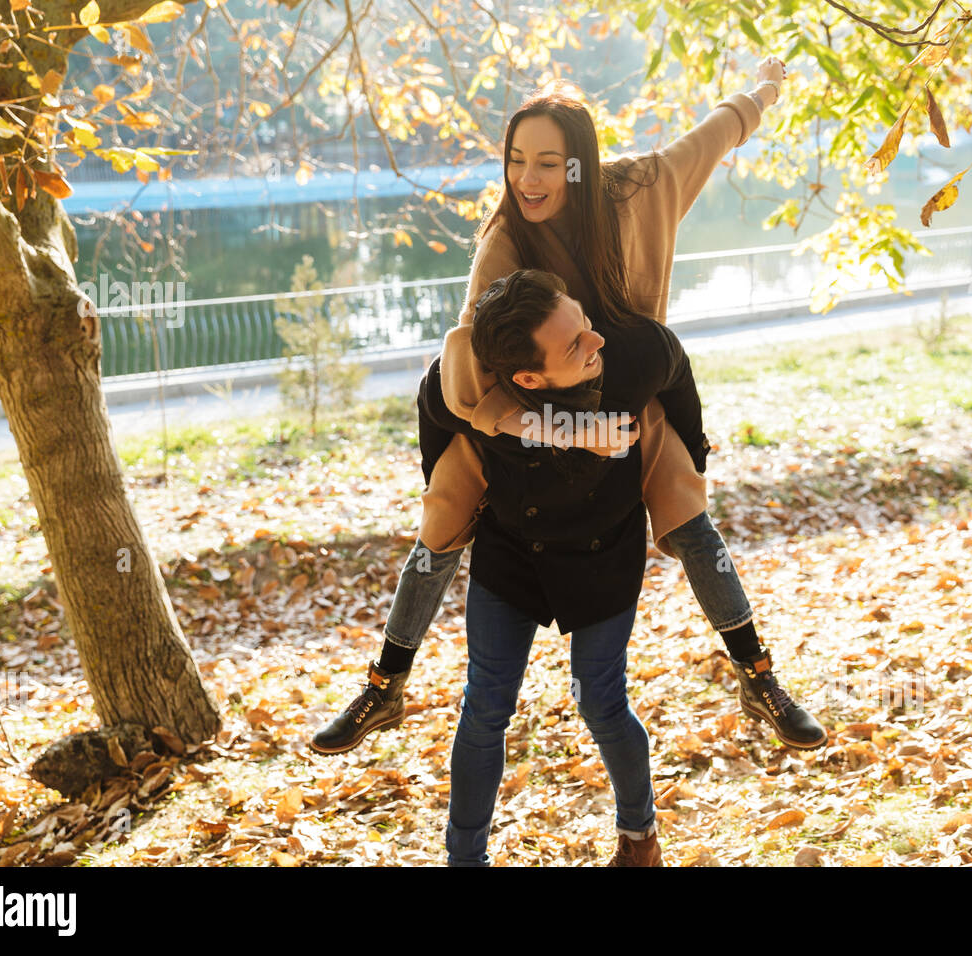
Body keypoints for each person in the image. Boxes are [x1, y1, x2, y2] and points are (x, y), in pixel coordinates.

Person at [311, 57, 827, 759]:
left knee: (689, 510)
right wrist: (549, 424)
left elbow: (716, 133)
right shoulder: (505, 243)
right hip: (519, 411)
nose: (528, 178)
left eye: (549, 163)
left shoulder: (640, 191)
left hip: (620, 392)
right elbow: (464, 363)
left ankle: (757, 676)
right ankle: (385, 684)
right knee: (442, 519)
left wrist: (767, 88)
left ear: (578, 165)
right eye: (518, 160)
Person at [424, 268, 708, 866]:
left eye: (585, 324)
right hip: (512, 557)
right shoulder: (482, 396)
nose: (595, 342)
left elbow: (676, 373)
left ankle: (640, 839)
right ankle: (463, 859)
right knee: (485, 708)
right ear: (527, 377)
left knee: (602, 702)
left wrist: (694, 452)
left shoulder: (628, 351)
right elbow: (435, 409)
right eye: (575, 344)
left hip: (603, 553)